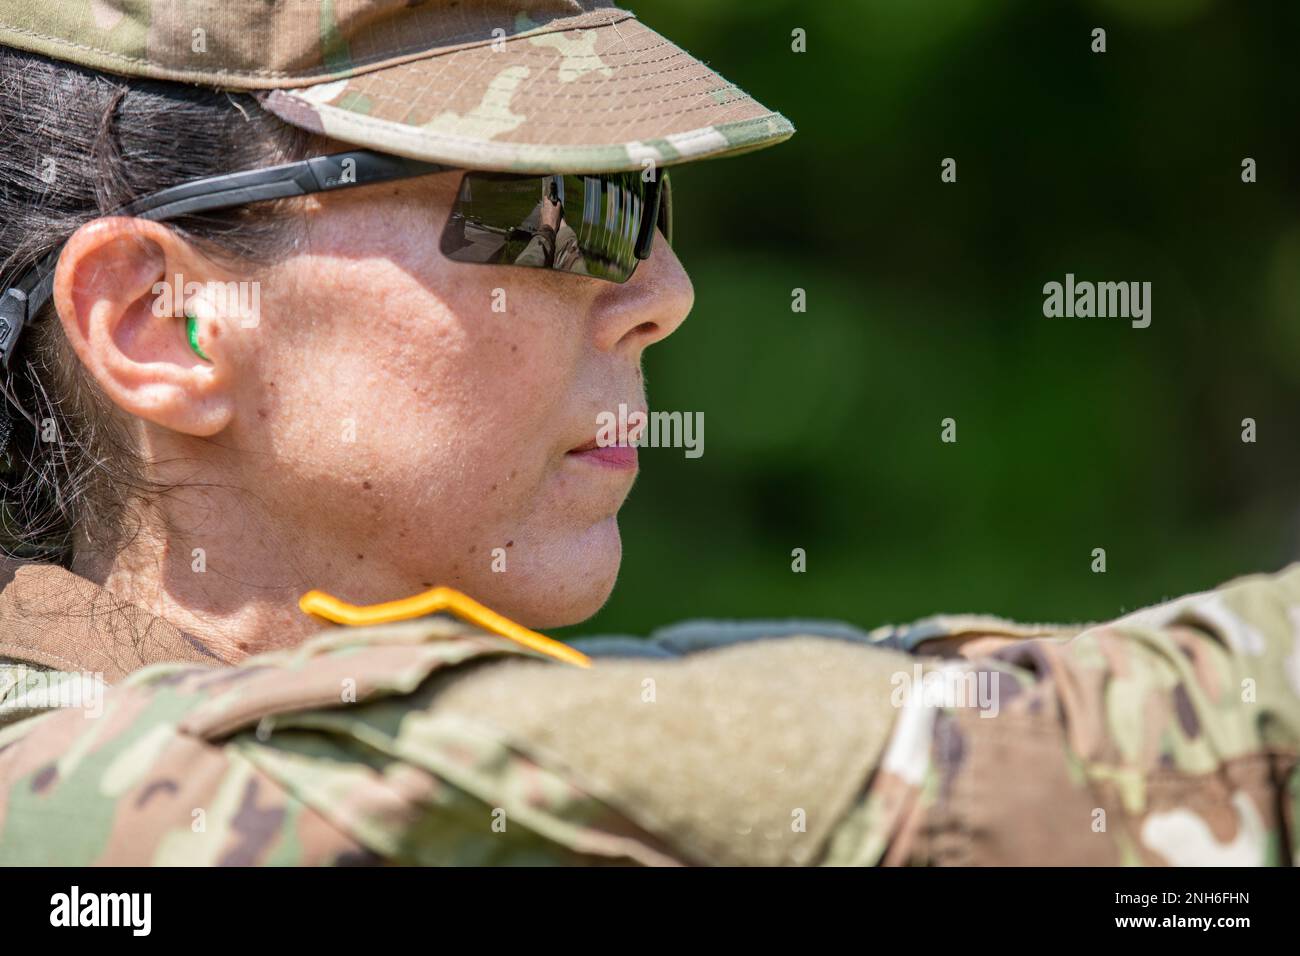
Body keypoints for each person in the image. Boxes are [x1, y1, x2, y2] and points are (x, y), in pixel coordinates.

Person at [0, 1, 1296, 866]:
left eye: (639, 195)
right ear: (161, 322)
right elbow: (1149, 749)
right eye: (553, 204)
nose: (663, 294)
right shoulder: (128, 815)